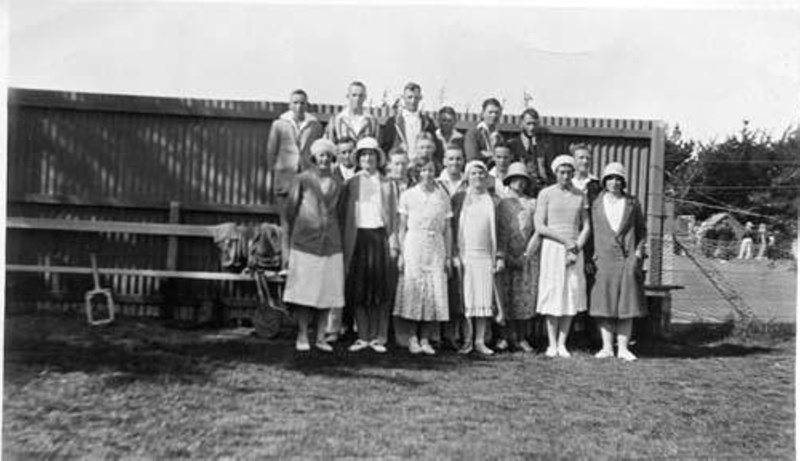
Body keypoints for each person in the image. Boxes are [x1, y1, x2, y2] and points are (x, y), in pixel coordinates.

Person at [281, 139, 345, 352]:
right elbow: (290, 211)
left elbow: (341, 213)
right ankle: (301, 334)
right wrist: (288, 244)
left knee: (328, 292)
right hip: (305, 243)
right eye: (321, 155)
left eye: (328, 155)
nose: (324, 159)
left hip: (331, 244)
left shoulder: (338, 183)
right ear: (314, 158)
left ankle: (320, 337)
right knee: (304, 293)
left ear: (333, 158)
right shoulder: (302, 179)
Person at [341, 137, 399, 353]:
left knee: (378, 290)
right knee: (358, 290)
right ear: (358, 158)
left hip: (379, 238)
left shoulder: (387, 184)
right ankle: (362, 336)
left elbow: (393, 217)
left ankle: (376, 337)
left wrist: (393, 241)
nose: (367, 158)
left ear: (378, 158)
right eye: (363, 155)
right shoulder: (351, 183)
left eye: (371, 155)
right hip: (357, 239)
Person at [394, 159, 453, 355]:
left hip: (436, 245)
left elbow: (448, 229)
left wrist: (448, 256)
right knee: (414, 290)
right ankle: (412, 337)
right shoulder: (408, 195)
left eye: (431, 170)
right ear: (417, 173)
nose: (427, 174)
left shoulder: (442, 196)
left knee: (432, 291)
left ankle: (426, 338)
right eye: (424, 170)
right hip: (413, 244)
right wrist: (401, 254)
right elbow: (402, 227)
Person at [590, 162, 647, 361]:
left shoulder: (632, 203)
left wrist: (638, 253)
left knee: (627, 305)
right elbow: (590, 232)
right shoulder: (595, 203)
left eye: (618, 179)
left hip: (627, 259)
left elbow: (642, 231)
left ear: (623, 182)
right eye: (610, 178)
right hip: (603, 259)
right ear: (604, 181)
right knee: (604, 303)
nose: (614, 182)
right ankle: (606, 347)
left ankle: (623, 348)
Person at [534, 155, 590, 358]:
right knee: (553, 292)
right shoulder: (545, 194)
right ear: (555, 173)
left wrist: (576, 247)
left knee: (570, 293)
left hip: (574, 250)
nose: (565, 176)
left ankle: (562, 344)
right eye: (561, 172)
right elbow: (540, 225)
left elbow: (586, 226)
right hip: (553, 248)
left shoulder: (580, 195)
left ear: (574, 173)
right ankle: (551, 344)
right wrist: (564, 242)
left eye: (569, 172)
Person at [452, 160, 505, 355]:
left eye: (481, 173)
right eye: (473, 173)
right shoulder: (458, 199)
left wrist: (499, 256)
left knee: (483, 299)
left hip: (485, 256)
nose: (478, 177)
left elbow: (501, 231)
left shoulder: (495, 201)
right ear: (467, 176)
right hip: (465, 255)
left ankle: (480, 340)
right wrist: (454, 254)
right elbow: (451, 228)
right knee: (466, 300)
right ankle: (467, 340)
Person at [497, 162, 540, 352]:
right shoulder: (501, 203)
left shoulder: (533, 203)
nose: (519, 183)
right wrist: (504, 255)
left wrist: (525, 255)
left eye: (523, 180)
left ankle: (522, 337)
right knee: (506, 295)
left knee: (524, 296)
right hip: (506, 254)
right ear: (508, 181)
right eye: (515, 179)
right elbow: (498, 230)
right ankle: (505, 335)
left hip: (526, 256)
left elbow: (537, 231)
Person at [266, 89, 324, 199]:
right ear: (290, 105)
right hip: (285, 176)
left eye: (302, 103)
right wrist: (274, 173)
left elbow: (319, 152)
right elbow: (271, 151)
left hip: (307, 176)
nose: (299, 106)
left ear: (307, 105)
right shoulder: (279, 124)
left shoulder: (315, 126)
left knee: (306, 213)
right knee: (285, 213)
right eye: (295, 103)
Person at [380, 82, 438, 161]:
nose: (413, 101)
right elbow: (386, 146)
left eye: (416, 97)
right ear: (403, 98)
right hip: (400, 163)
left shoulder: (427, 122)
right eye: (409, 97)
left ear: (420, 98)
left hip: (420, 164)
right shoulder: (393, 121)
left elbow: (433, 146)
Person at [507, 108, 550, 185]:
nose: (532, 127)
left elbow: (549, 169)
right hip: (520, 184)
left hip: (541, 185)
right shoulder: (512, 145)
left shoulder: (544, 145)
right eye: (528, 124)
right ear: (521, 124)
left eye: (534, 124)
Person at [464, 98, 505, 165]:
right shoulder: (473, 133)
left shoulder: (500, 137)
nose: (494, 115)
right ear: (483, 113)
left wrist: (484, 154)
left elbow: (502, 159)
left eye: (496, 113)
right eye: (490, 112)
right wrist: (492, 155)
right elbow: (472, 157)